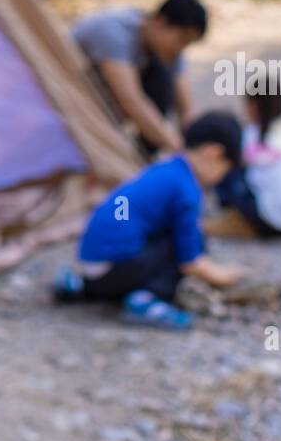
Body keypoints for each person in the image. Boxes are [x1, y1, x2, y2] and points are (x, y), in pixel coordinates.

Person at [52, 112, 244, 329]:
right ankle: (146, 299)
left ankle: (81, 287)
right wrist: (221, 275)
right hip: (115, 268)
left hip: (92, 262)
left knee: (155, 234)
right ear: (213, 153)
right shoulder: (186, 189)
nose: (221, 177)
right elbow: (191, 262)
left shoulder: (166, 168)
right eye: (225, 170)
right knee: (190, 240)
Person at [71, 0, 208, 159]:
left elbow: (187, 109)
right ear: (160, 22)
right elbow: (131, 101)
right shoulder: (113, 32)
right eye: (181, 40)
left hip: (104, 104)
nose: (181, 50)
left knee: (163, 78)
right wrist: (180, 151)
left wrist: (200, 143)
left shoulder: (166, 49)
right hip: (73, 101)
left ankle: (143, 157)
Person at [208, 79, 281, 239]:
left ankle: (231, 215)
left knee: (225, 165)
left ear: (253, 106)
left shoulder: (249, 135)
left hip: (268, 219)